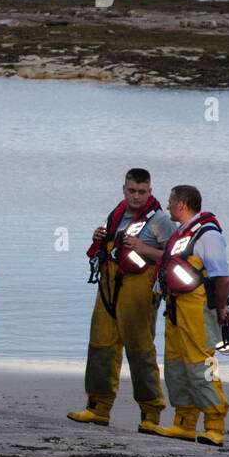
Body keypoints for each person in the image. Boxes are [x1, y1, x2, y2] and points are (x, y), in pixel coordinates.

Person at [68, 169, 174, 431]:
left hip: (140, 291)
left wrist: (142, 248)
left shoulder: (160, 220)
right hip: (108, 287)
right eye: (131, 191)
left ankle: (151, 414)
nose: (136, 196)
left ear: (150, 191)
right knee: (100, 345)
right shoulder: (116, 215)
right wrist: (99, 239)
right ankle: (98, 408)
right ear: (124, 189)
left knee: (140, 351)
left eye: (142, 192)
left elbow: (175, 258)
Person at [150, 185, 229, 446]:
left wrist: (221, 310)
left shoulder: (208, 235)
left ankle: (214, 425)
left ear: (182, 204)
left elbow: (222, 277)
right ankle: (183, 424)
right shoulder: (182, 233)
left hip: (198, 311)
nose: (167, 205)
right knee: (175, 366)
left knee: (201, 367)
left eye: (171, 201)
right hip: (175, 309)